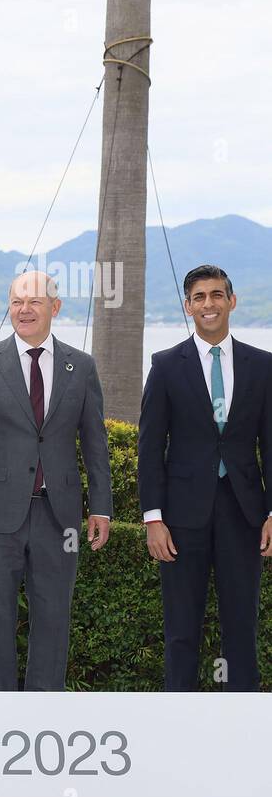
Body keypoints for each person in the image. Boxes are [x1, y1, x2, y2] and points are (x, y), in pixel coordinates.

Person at [0, 271, 111, 691]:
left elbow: (95, 444)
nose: (24, 310)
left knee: (54, 619)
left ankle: (44, 714)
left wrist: (101, 507)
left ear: (55, 307)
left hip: (60, 517)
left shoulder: (81, 366)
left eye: (34, 301)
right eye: (17, 301)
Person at [138, 264, 272, 691]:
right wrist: (153, 518)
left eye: (216, 295)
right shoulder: (165, 366)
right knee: (181, 630)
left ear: (231, 301)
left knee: (242, 627)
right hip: (181, 518)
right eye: (199, 297)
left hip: (244, 513)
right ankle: (179, 718)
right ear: (187, 306)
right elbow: (149, 447)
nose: (208, 304)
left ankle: (242, 720)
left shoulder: (262, 365)